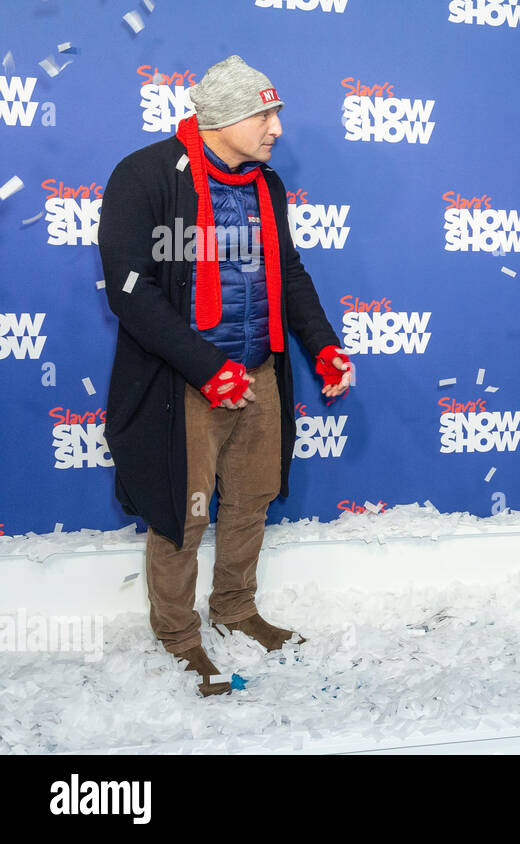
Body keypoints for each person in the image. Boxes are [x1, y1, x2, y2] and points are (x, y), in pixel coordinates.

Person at [99, 56, 355, 695]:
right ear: (222, 118)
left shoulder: (266, 185)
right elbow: (132, 291)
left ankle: (236, 608)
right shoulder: (145, 175)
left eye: (276, 114)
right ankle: (179, 637)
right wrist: (206, 368)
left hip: (259, 373)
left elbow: (287, 274)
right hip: (182, 383)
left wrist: (323, 346)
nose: (276, 129)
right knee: (182, 514)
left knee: (250, 502)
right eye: (263, 115)